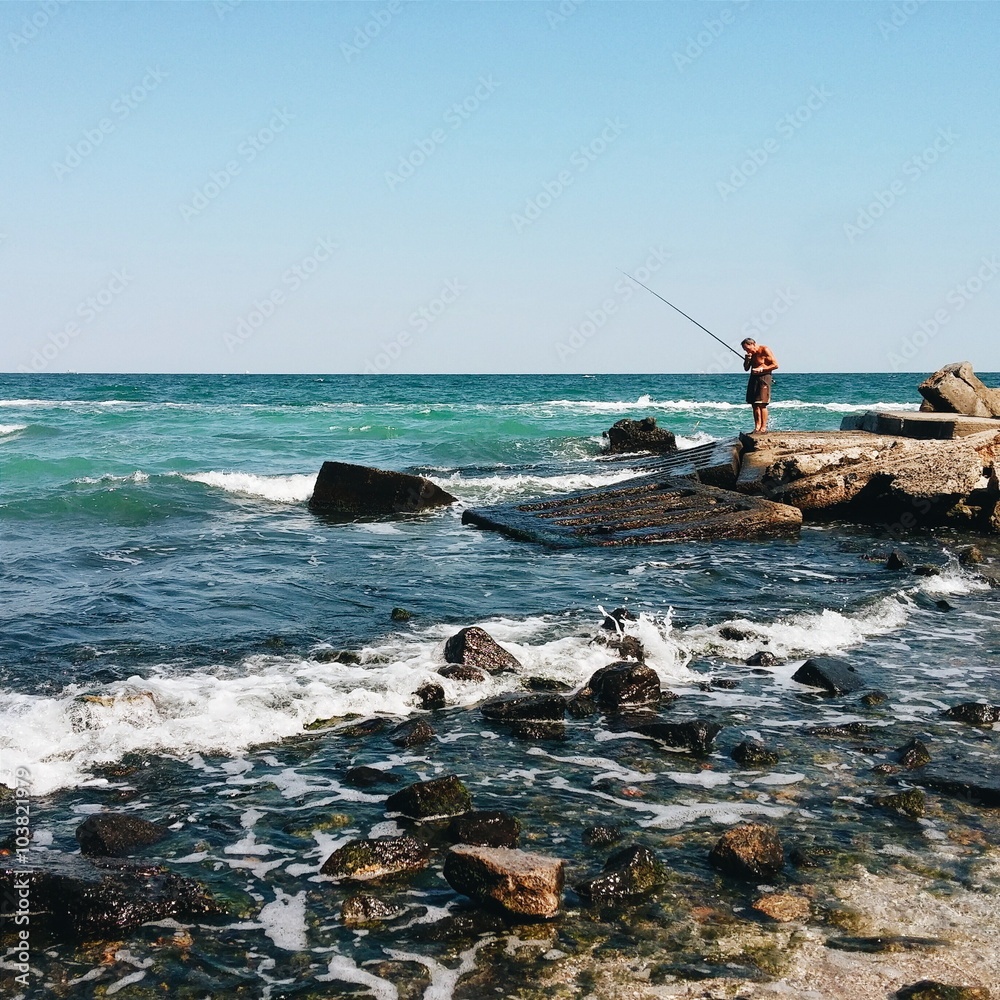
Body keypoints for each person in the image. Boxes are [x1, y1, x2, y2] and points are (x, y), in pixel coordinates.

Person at [741, 338, 778, 434]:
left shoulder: (764, 350)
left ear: (753, 344)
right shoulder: (750, 354)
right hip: (753, 378)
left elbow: (775, 365)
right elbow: (746, 368)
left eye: (748, 348)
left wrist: (761, 369)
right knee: (754, 404)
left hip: (764, 377)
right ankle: (757, 427)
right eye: (745, 350)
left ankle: (763, 427)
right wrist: (747, 359)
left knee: (762, 403)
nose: (747, 351)